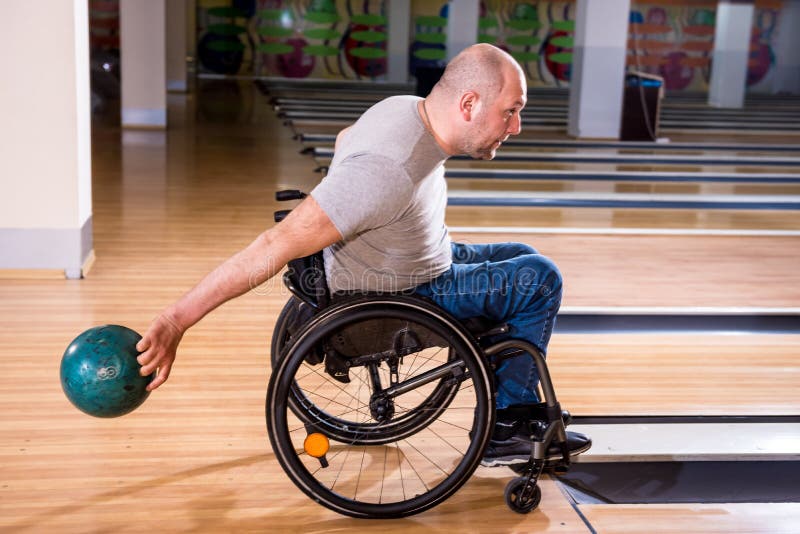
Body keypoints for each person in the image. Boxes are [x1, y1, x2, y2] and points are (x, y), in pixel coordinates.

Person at [136, 43, 590, 467]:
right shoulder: (386, 171)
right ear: (468, 104)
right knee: (540, 277)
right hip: (405, 291)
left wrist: (357, 214)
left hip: (416, 261)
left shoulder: (404, 109)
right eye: (510, 112)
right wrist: (177, 321)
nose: (516, 127)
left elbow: (345, 137)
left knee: (520, 255)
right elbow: (271, 247)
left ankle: (505, 390)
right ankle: (506, 423)